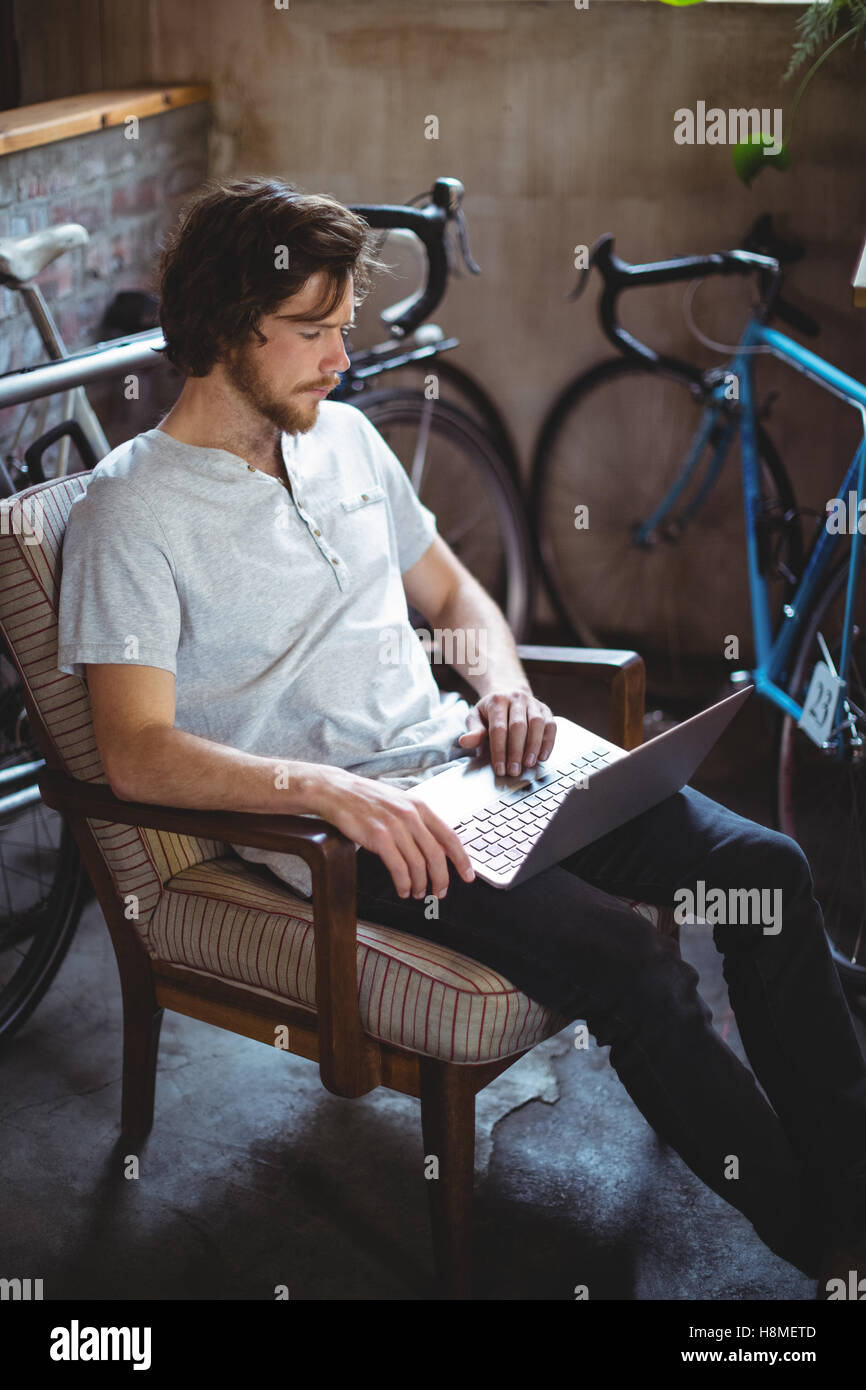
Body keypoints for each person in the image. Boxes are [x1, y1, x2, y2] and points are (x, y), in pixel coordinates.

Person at [57, 176, 866, 1296]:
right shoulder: (127, 513)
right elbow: (135, 750)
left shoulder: (342, 438)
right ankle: (823, 1245)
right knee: (632, 964)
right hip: (358, 842)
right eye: (312, 332)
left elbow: (456, 598)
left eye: (345, 327)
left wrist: (503, 689)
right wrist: (335, 795)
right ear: (221, 328)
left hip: (478, 765)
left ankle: (852, 1197)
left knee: (764, 872)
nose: (342, 357)